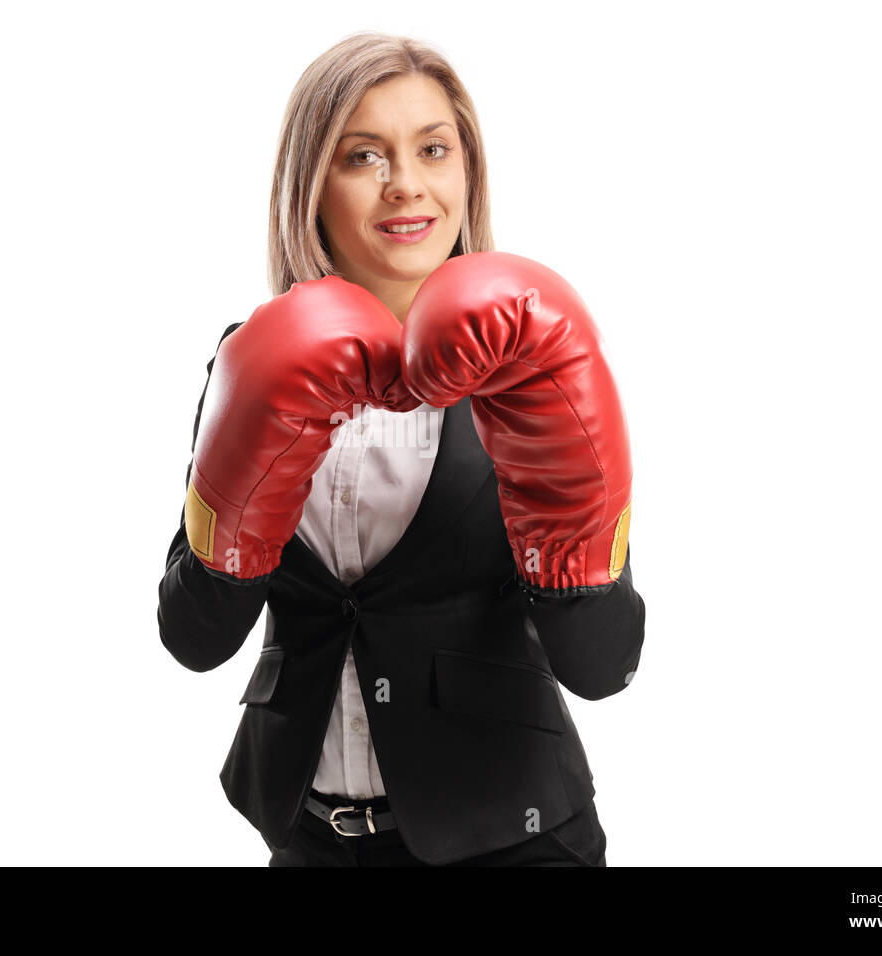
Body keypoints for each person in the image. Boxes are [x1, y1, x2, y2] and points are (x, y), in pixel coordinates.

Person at [157, 31, 646, 867]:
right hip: (309, 835)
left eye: (433, 149)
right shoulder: (250, 356)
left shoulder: (528, 356)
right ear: (311, 186)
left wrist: (572, 554)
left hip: (509, 836)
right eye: (363, 157)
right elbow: (194, 637)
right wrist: (233, 528)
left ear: (467, 173)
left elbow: (602, 667)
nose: (406, 185)